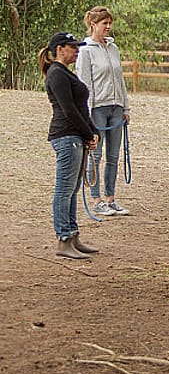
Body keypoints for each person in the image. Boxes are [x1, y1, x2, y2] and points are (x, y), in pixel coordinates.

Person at [40, 32, 101, 260]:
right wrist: (88, 132)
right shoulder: (57, 74)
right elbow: (69, 110)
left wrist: (92, 131)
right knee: (64, 190)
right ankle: (63, 238)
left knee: (72, 190)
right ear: (59, 49)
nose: (76, 51)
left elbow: (80, 108)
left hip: (74, 135)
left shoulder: (65, 73)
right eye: (72, 47)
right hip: (66, 136)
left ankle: (72, 234)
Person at [76, 6, 132, 216]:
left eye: (109, 23)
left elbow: (120, 79)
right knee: (95, 155)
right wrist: (86, 114)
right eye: (104, 23)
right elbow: (84, 84)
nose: (108, 27)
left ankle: (110, 198)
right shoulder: (85, 50)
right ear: (93, 24)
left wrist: (125, 107)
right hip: (97, 108)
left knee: (114, 155)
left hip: (116, 108)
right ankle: (96, 199)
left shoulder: (113, 48)